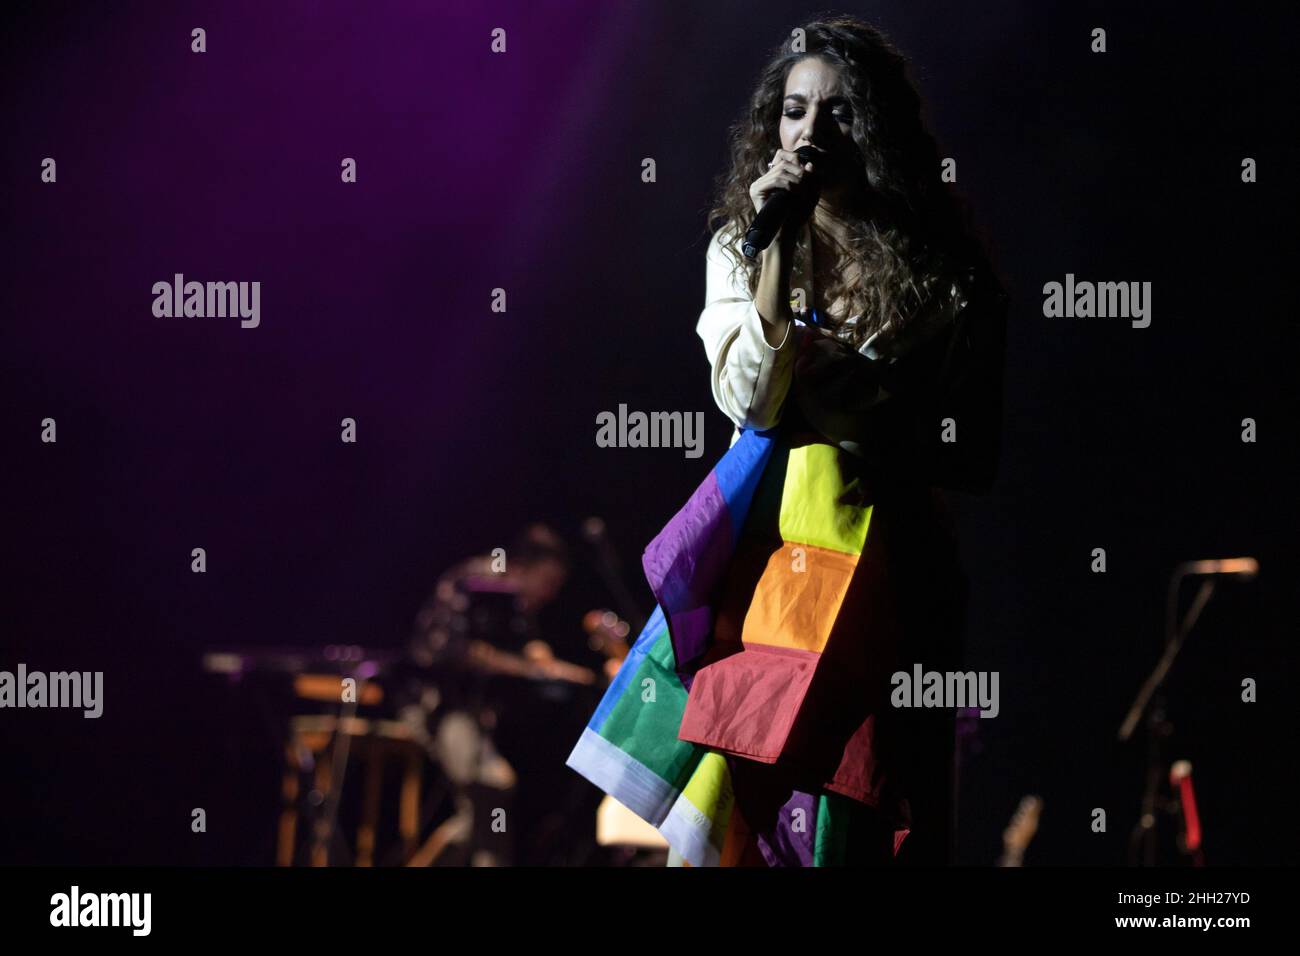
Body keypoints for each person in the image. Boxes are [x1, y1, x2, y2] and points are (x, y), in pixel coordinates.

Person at [567, 16, 1007, 866]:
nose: (810, 132)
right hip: (770, 564)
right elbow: (756, 402)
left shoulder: (943, 267)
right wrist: (779, 246)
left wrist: (862, 404)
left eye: (839, 113)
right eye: (795, 110)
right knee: (761, 813)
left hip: (891, 568)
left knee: (869, 809)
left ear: (877, 128)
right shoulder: (742, 245)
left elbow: (972, 447)